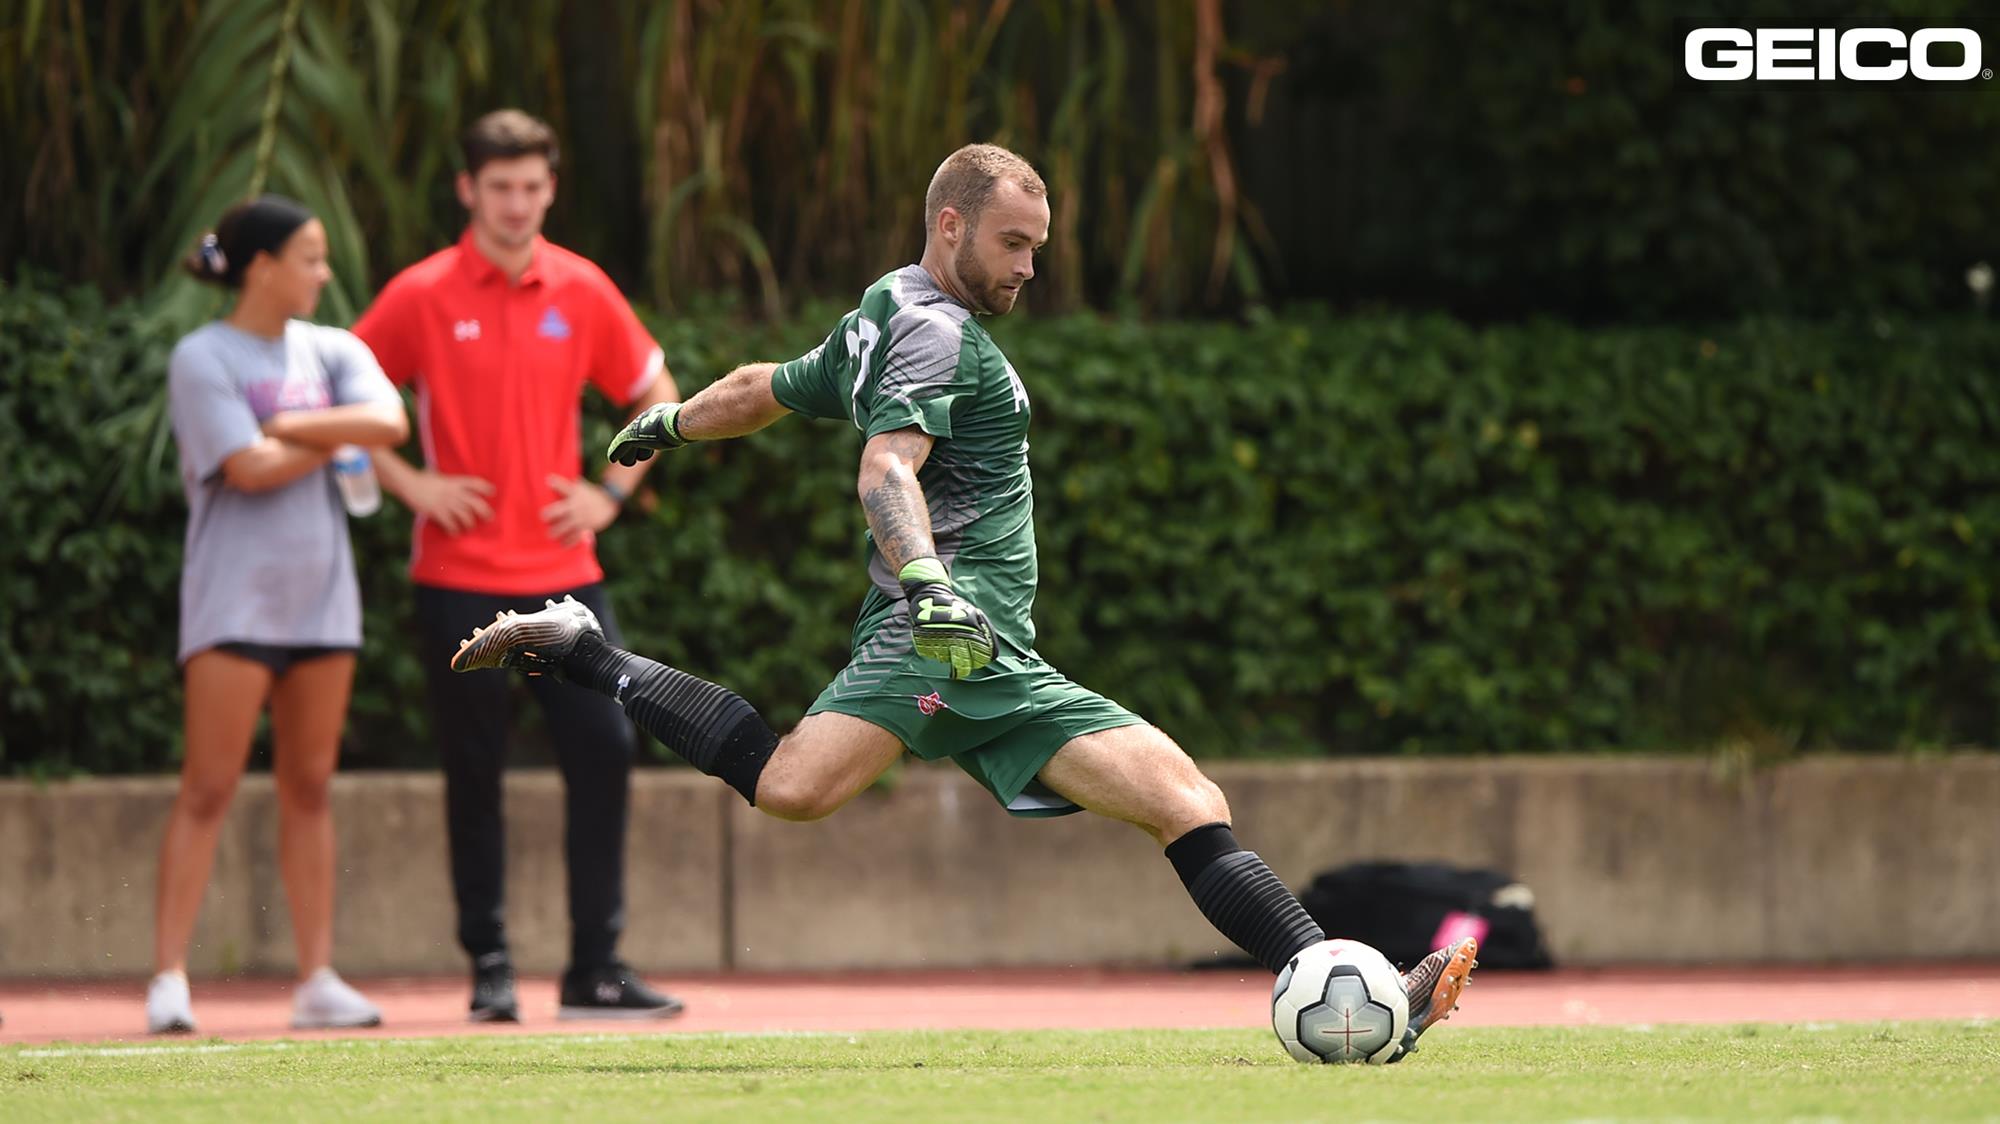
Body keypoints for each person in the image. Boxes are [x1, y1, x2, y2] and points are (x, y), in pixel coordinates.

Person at [452, 143, 1478, 1059]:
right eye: (1012, 243)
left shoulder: (883, 311)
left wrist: (671, 420)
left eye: (1036, 246)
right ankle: (586, 645)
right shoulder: (937, 337)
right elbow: (883, 469)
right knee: (795, 787)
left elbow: (768, 384)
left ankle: (1364, 991)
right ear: (950, 224)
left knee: (1185, 802)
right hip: (943, 633)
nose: (1028, 267)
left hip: (989, 646)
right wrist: (932, 586)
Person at [351, 109, 684, 1022]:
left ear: (550, 186)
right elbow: (342, 388)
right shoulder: (419, 293)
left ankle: (595, 970)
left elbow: (658, 392)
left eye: (532, 186)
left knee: (605, 751)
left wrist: (607, 495)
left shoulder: (580, 287)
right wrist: (408, 483)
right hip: (454, 574)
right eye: (499, 186)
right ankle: (490, 966)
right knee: (474, 769)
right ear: (468, 189)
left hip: (565, 575)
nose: (516, 203)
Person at [152, 194, 408, 1034]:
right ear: (260, 265)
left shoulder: (332, 348)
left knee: (309, 787)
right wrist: (325, 439)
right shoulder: (202, 355)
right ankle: (169, 980)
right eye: (309, 256)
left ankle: (316, 979)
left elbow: (389, 421)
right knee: (209, 786)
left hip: (324, 605)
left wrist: (288, 424)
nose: (324, 272)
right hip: (232, 602)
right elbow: (247, 469)